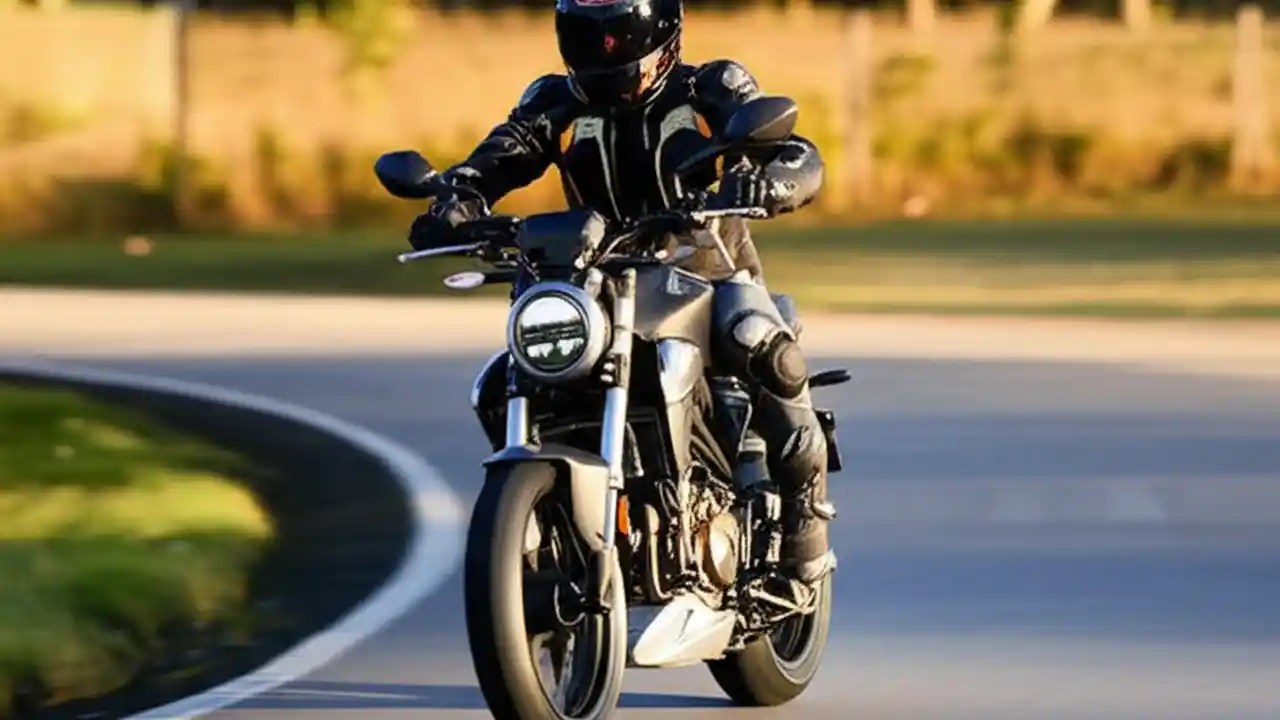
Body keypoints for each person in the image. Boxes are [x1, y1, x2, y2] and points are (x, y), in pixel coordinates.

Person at [408, 0, 835, 584]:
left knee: (760, 340)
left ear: (660, 32)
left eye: (616, 38)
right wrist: (456, 199)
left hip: (707, 274)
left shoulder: (710, 86)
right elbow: (496, 158)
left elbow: (798, 154)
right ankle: (546, 535)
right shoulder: (553, 102)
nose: (604, 53)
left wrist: (772, 177)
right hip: (589, 283)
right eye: (588, 38)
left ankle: (804, 515)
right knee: (499, 384)